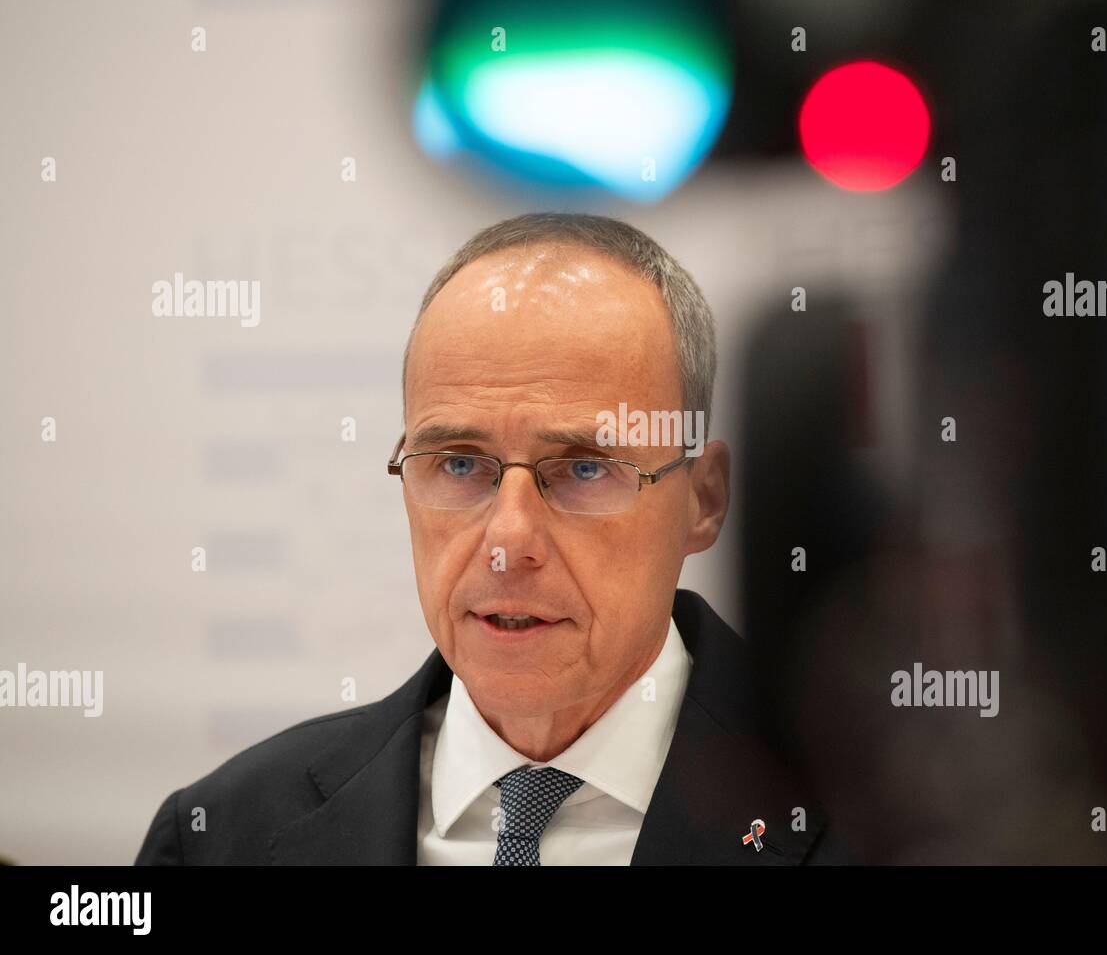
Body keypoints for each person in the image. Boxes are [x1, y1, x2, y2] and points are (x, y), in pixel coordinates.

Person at [135, 212, 855, 865]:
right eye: (458, 464)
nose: (509, 541)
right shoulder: (219, 836)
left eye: (582, 468)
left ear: (704, 500)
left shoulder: (875, 821)